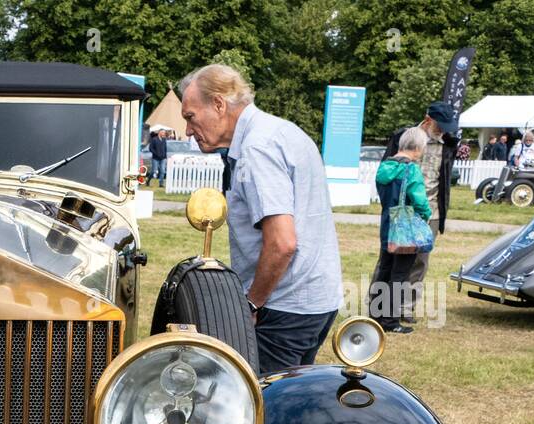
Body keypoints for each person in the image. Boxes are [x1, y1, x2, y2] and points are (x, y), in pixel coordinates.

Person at [180, 63, 342, 374]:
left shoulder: (257, 148)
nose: (188, 129)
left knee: (260, 408)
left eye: (190, 117)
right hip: (313, 301)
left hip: (284, 308)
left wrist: (251, 305)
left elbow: (282, 243)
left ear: (218, 104)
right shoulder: (280, 130)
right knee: (291, 400)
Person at [368, 126, 432, 334]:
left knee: (384, 269)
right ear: (417, 147)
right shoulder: (411, 169)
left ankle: (375, 315)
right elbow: (419, 200)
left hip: (387, 222)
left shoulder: (384, 166)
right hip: (405, 226)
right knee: (400, 274)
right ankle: (390, 321)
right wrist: (426, 214)